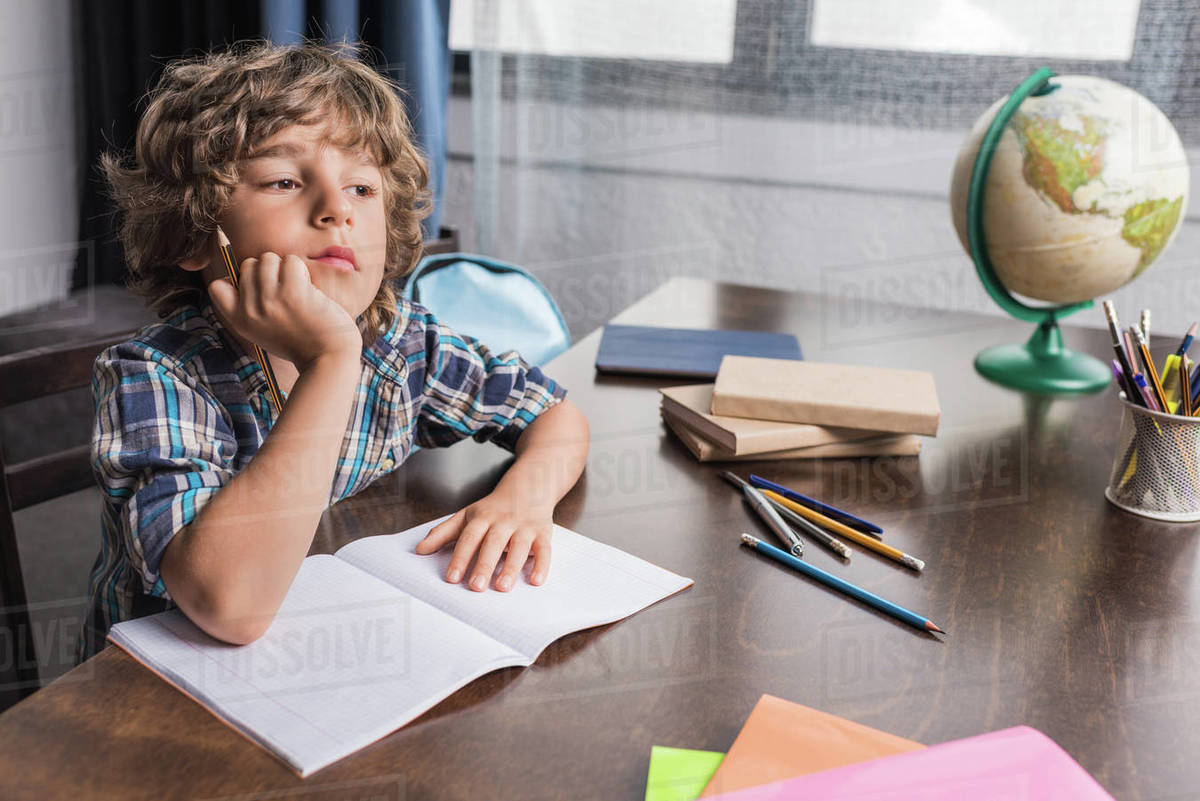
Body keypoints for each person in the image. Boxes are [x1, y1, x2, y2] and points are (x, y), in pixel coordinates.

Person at [78, 39, 589, 661]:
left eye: (363, 189)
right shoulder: (156, 377)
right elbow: (229, 606)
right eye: (285, 180)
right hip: (155, 690)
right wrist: (331, 362)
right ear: (192, 232)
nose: (335, 210)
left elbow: (555, 413)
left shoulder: (400, 340)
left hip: (328, 635)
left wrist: (523, 499)